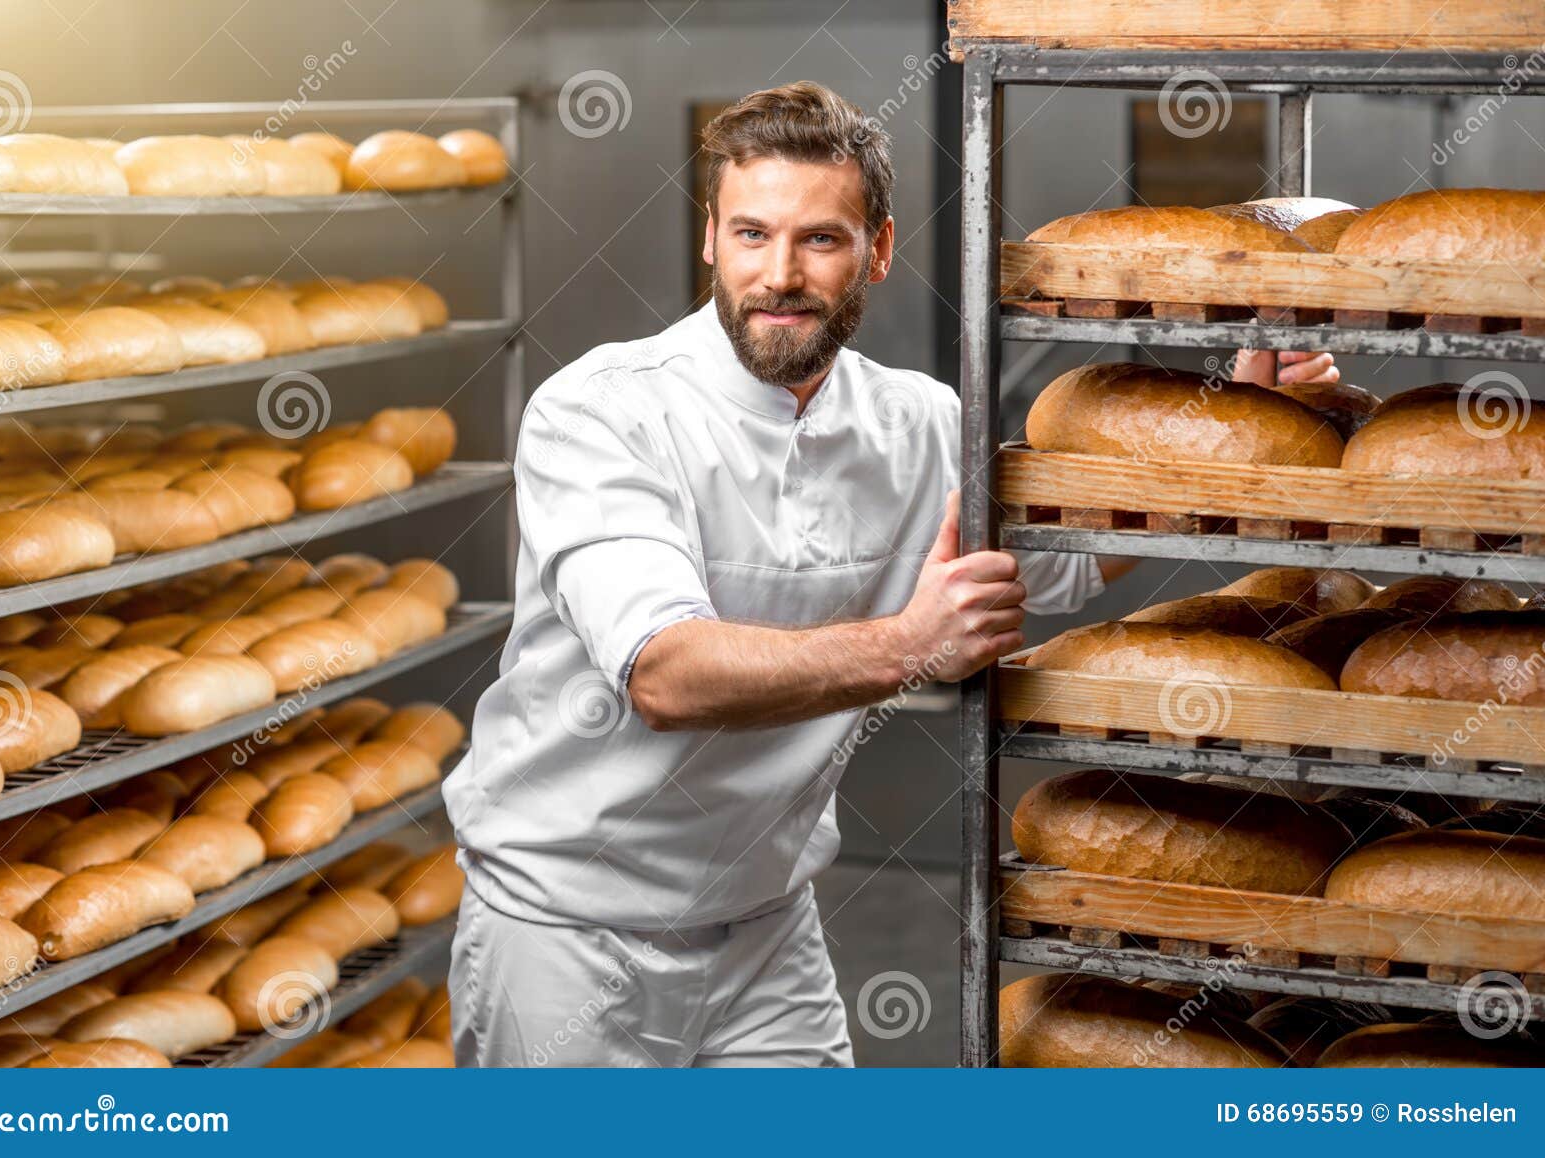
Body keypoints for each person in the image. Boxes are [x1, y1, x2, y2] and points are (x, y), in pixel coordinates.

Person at [441, 81, 1133, 1068]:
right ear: (710, 241)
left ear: (878, 250)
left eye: (820, 240)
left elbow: (1048, 573)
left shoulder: (919, 423)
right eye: (753, 234)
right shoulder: (600, 412)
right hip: (567, 933)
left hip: (764, 925)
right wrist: (910, 645)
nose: (780, 274)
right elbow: (664, 675)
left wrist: (1235, 460)